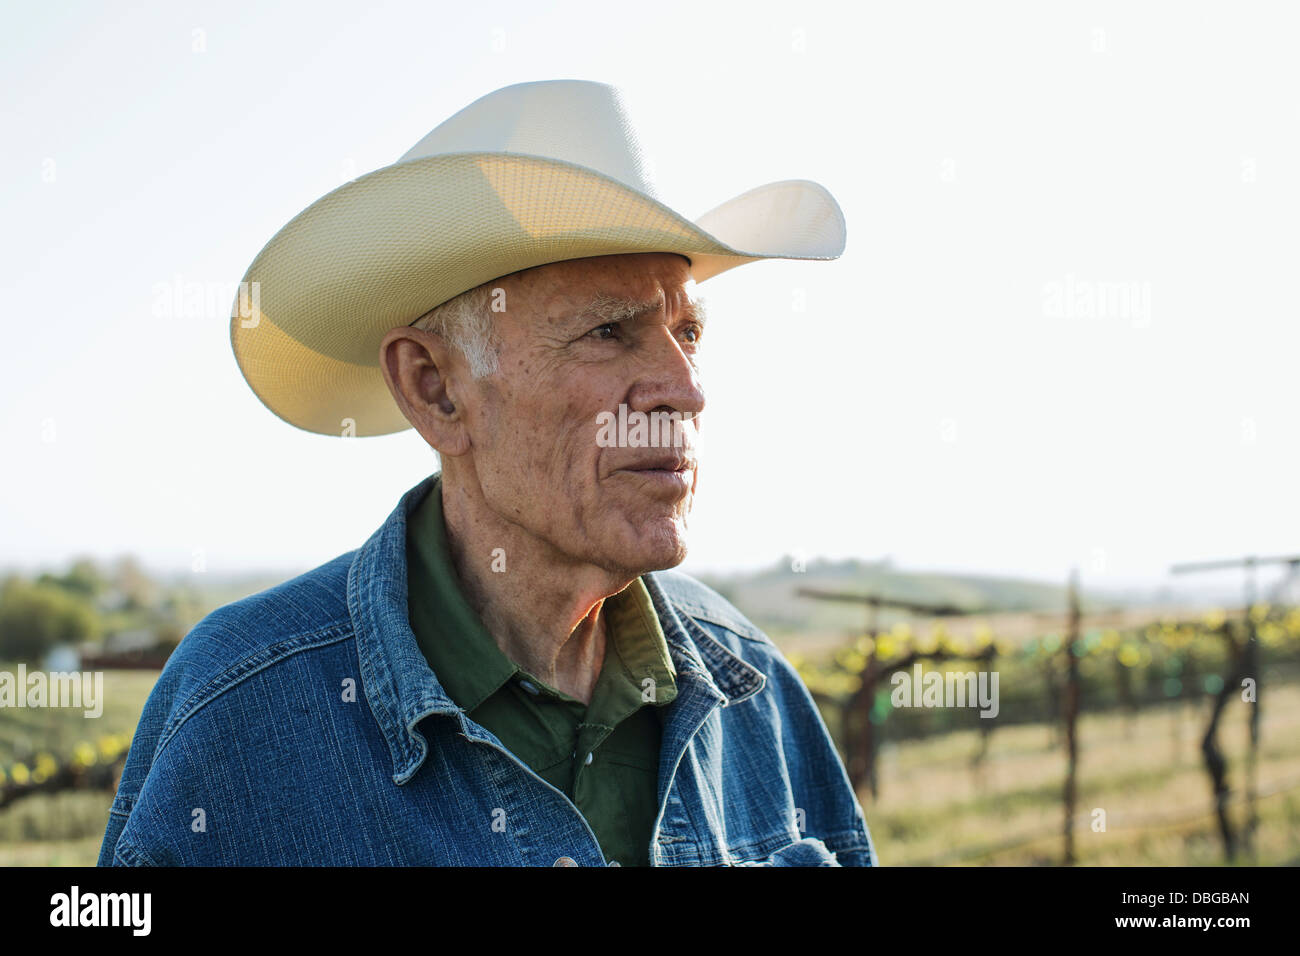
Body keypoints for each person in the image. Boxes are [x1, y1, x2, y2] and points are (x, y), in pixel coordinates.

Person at [98, 79, 875, 866]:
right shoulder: (239, 717)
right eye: (608, 331)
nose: (685, 390)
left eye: (687, 331)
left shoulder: (751, 683)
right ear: (435, 389)